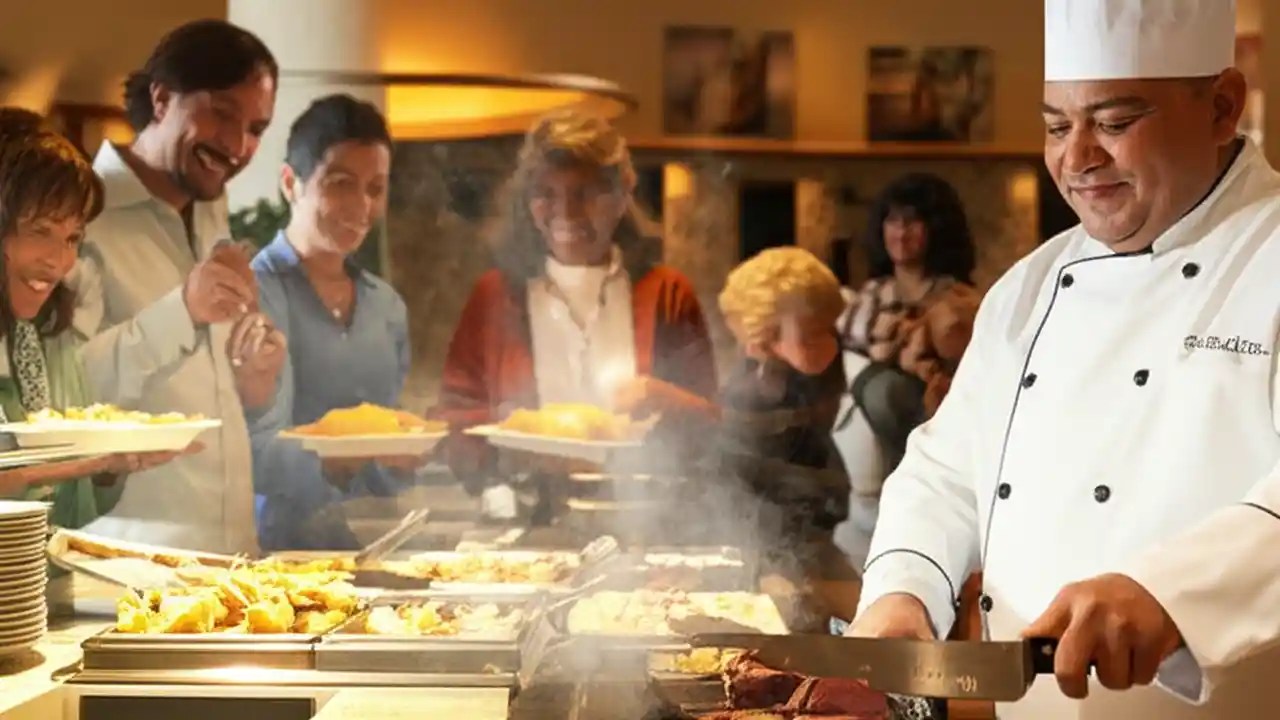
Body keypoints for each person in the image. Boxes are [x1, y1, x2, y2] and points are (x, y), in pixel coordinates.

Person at [849, 1, 1280, 718]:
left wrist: (1172, 592)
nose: (1076, 159)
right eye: (1056, 126)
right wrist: (903, 588)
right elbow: (946, 469)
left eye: (1114, 123)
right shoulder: (1029, 287)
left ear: (1221, 107)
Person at [71, 20, 285, 554]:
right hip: (125, 575)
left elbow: (200, 397)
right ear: (162, 99)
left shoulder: (212, 212)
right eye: (222, 113)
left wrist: (252, 384)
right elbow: (63, 394)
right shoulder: (78, 215)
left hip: (231, 565)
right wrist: (182, 311)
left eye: (256, 128)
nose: (237, 145)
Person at [437, 109, 717, 514]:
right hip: (528, 527)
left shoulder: (669, 295)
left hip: (645, 523)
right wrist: (508, 436)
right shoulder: (495, 296)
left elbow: (712, 431)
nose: (565, 211)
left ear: (623, 195)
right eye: (545, 194)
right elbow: (454, 421)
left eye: (585, 192)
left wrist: (665, 398)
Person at [0, 112, 192, 523]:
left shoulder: (51, 339)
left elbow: (77, 512)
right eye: (39, 231)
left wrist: (109, 471)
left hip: (47, 582)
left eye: (72, 238)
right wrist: (85, 465)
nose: (59, 262)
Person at [248, 94, 412, 551]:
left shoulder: (387, 308)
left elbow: (388, 455)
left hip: (378, 544)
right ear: (290, 183)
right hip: (275, 552)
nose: (361, 206)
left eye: (375, 188)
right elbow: (247, 450)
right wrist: (333, 462)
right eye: (341, 183)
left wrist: (401, 461)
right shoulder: (253, 293)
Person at [839, 172, 980, 417]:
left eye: (912, 222)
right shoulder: (871, 295)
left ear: (937, 228)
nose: (901, 233)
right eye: (893, 221)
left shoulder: (958, 300)